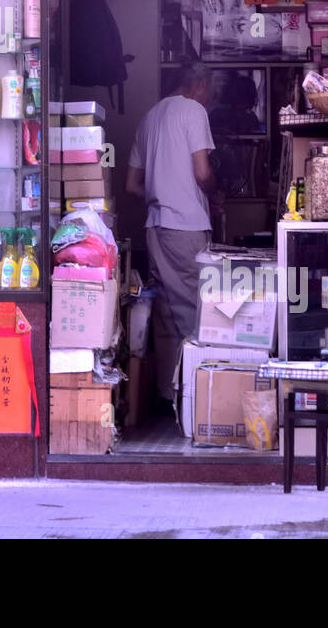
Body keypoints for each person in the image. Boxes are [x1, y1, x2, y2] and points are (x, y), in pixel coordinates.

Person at [126, 63, 220, 410]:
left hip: (155, 227)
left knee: (165, 310)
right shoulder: (193, 111)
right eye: (210, 90)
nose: (210, 99)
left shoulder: (149, 118)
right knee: (198, 309)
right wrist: (212, 190)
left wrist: (162, 187)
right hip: (186, 227)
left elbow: (132, 185)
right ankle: (200, 396)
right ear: (198, 83)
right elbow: (202, 172)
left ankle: (170, 394)